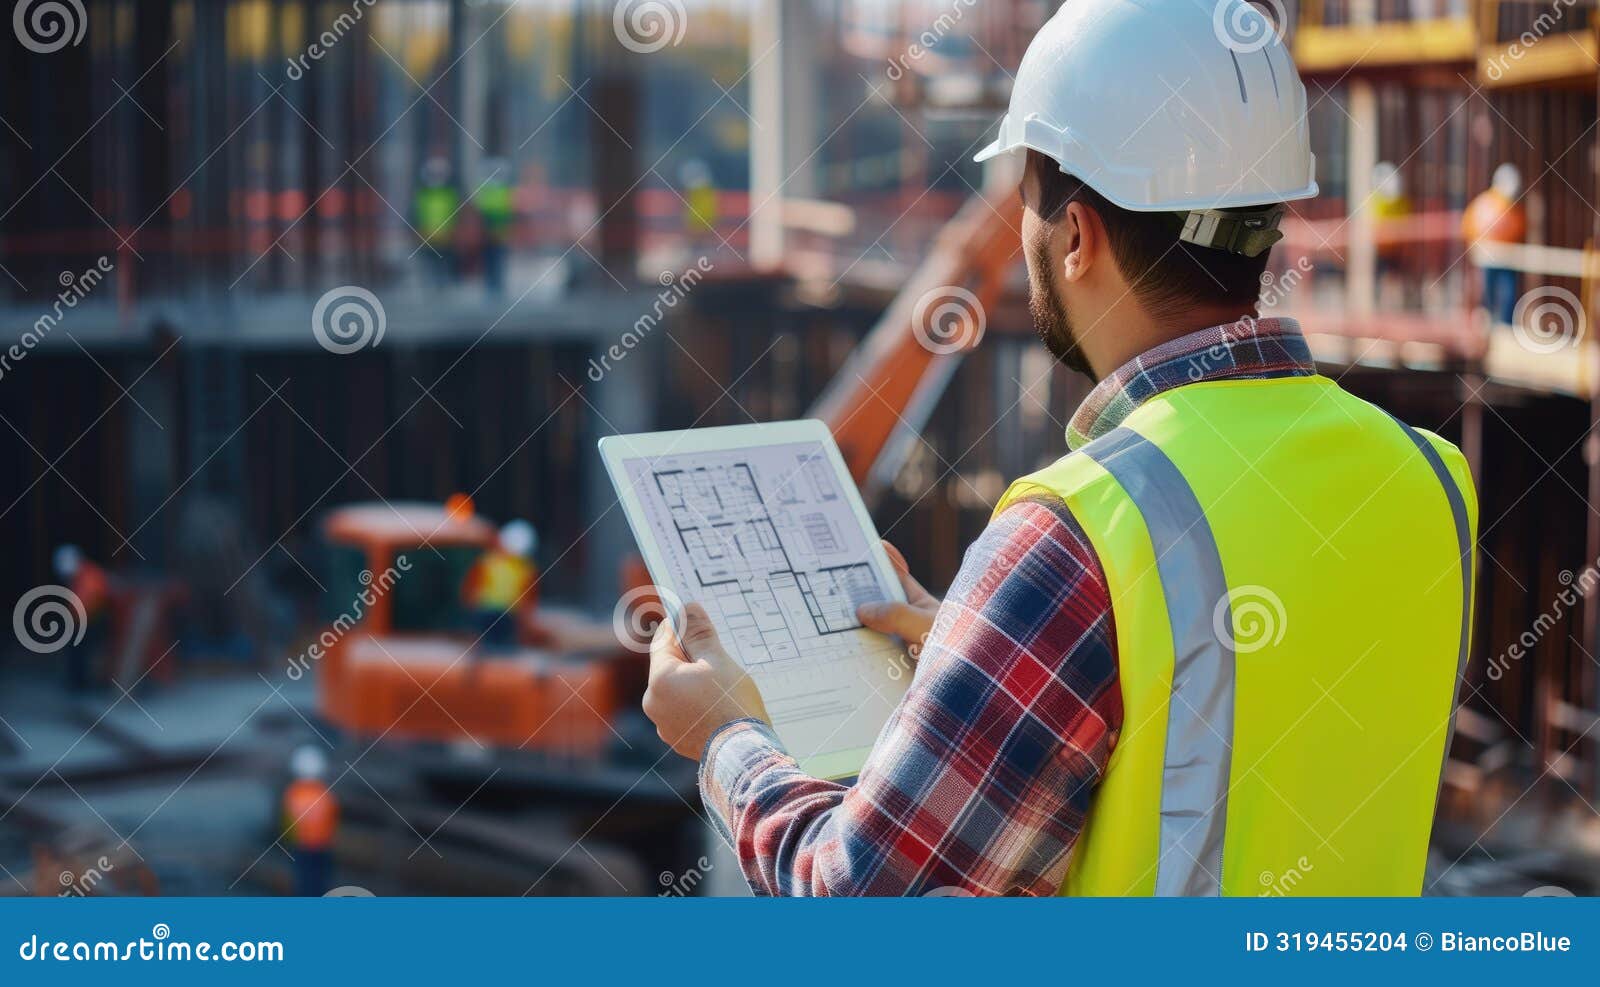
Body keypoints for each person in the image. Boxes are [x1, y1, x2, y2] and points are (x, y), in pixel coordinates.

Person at [640, 0, 1476, 897]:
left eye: (1030, 203)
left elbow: (860, 900)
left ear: (1076, 236)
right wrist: (992, 655)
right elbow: (1263, 728)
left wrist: (730, 736)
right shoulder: (1429, 477)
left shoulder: (1081, 534)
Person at [1462, 163, 1527, 326]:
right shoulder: (1485, 204)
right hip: (1487, 258)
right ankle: (1491, 322)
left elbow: (1520, 229)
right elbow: (1468, 226)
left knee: (1508, 294)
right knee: (1489, 292)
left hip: (1507, 259)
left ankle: (1505, 325)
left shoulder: (1514, 208)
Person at [460, 520, 539, 650]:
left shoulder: (487, 562)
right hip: (496, 616)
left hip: (500, 617)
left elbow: (469, 594)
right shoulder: (525, 569)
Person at [281, 746, 338, 896]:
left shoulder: (292, 794)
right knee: (319, 883)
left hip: (301, 848)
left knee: (303, 883)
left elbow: (287, 826)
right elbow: (332, 821)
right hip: (321, 848)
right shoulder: (325, 794)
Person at [53, 545, 108, 693]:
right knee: (76, 651)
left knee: (80, 651)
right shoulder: (81, 575)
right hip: (84, 620)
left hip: (92, 620)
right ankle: (78, 681)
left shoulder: (90, 577)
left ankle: (81, 683)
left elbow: (86, 604)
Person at [414, 158, 460, 286]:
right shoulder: (423, 195)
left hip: (446, 238)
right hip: (428, 238)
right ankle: (433, 285)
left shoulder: (450, 194)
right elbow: (417, 216)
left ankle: (443, 284)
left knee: (444, 265)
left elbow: (456, 215)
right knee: (430, 266)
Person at [475, 158, 515, 296]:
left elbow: (507, 212)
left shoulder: (489, 189)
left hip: (495, 233)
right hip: (493, 233)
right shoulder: (500, 189)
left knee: (494, 260)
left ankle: (494, 286)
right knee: (494, 260)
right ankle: (494, 286)